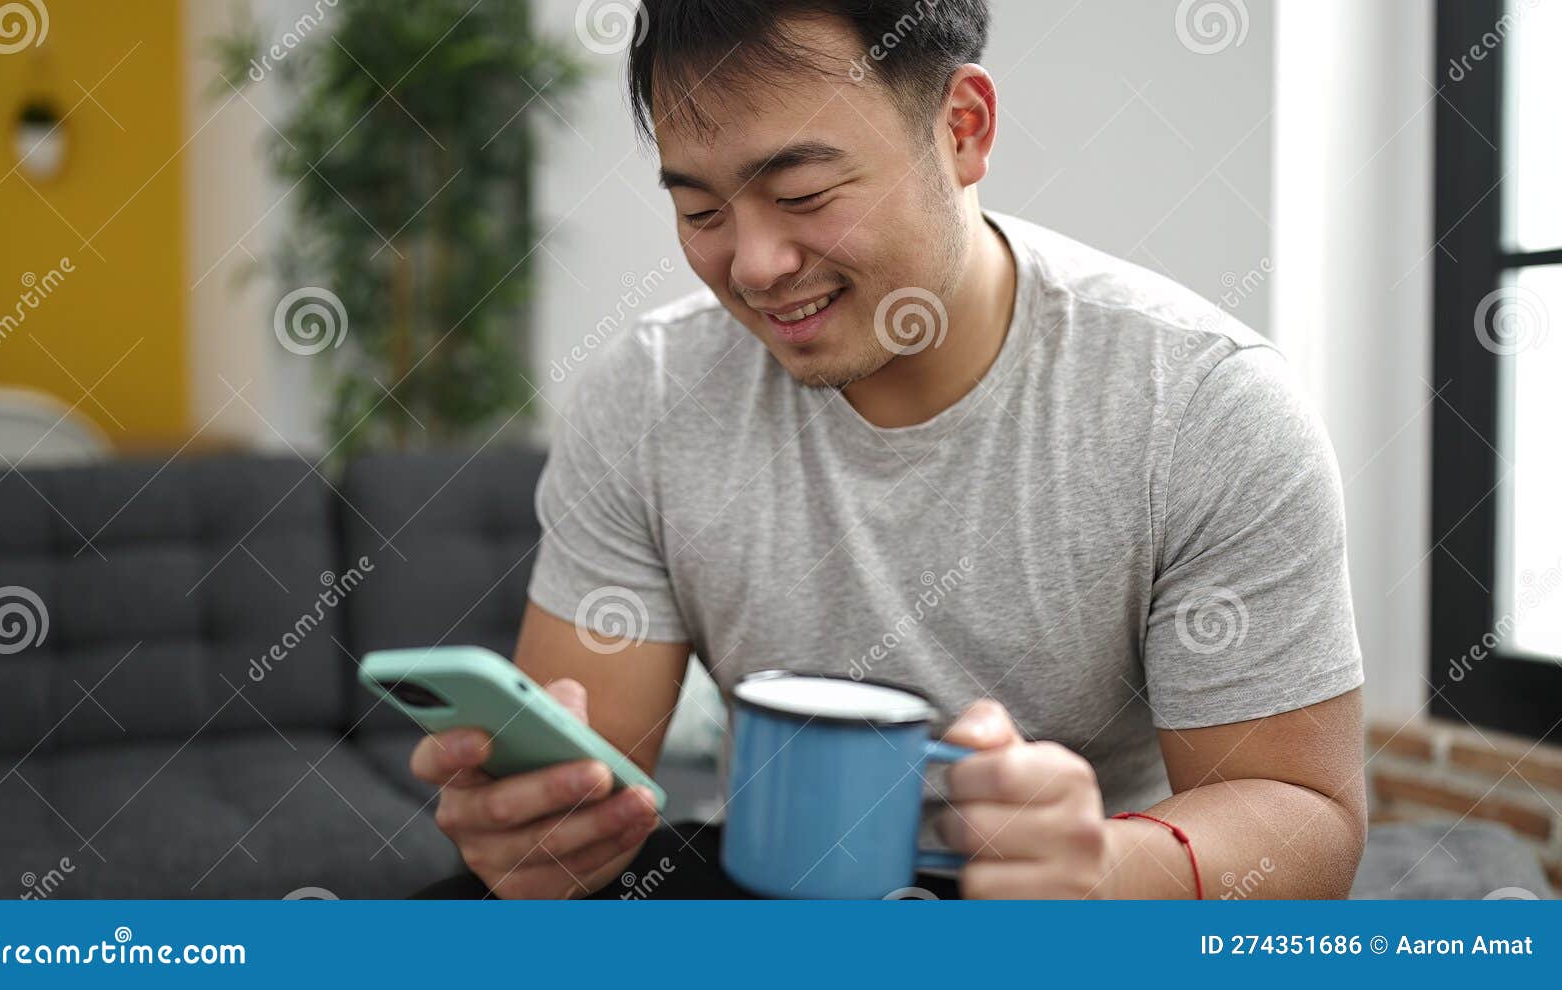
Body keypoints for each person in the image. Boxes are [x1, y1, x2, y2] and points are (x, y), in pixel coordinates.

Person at [411, 0, 1366, 900]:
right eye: (701, 212)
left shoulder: (1202, 405)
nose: (753, 266)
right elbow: (588, 790)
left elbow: (1307, 817)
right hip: (766, 886)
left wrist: (1106, 870)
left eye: (803, 192)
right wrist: (532, 832)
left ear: (963, 127)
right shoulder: (649, 394)